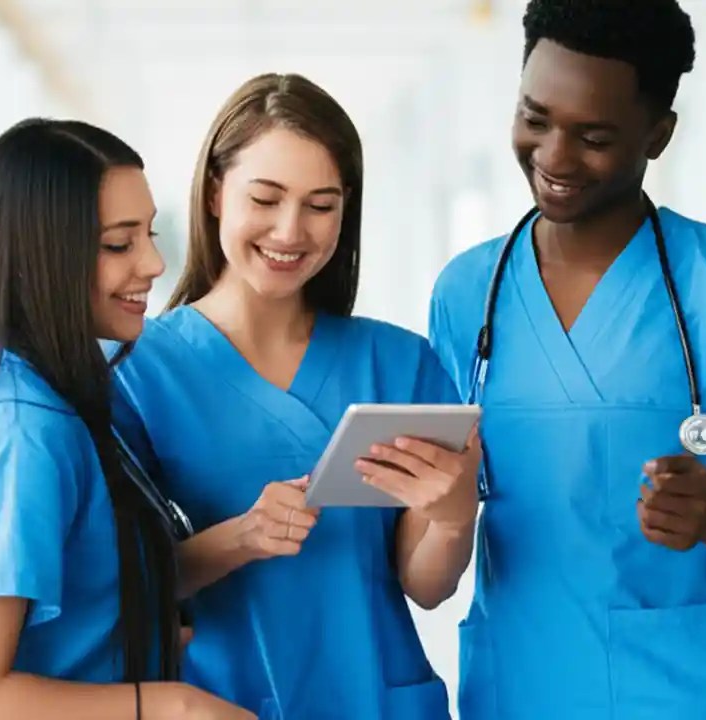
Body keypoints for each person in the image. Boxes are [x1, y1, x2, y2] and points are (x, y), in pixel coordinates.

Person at [426, 2, 706, 718]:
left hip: (689, 695)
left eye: (594, 136)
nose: (555, 156)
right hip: (520, 686)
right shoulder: (470, 292)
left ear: (657, 134)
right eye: (535, 118)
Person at [113, 73, 480, 720]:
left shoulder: (399, 364)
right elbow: (119, 589)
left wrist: (452, 515)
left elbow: (425, 588)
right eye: (266, 198)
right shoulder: (140, 372)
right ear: (215, 194)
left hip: (380, 699)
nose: (291, 231)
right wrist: (241, 538)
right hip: (221, 703)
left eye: (321, 204)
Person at [0, 118, 253, 720]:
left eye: (149, 233)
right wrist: (174, 705)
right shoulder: (19, 431)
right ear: (41, 255)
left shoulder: (53, 395)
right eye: (119, 244)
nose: (153, 263)